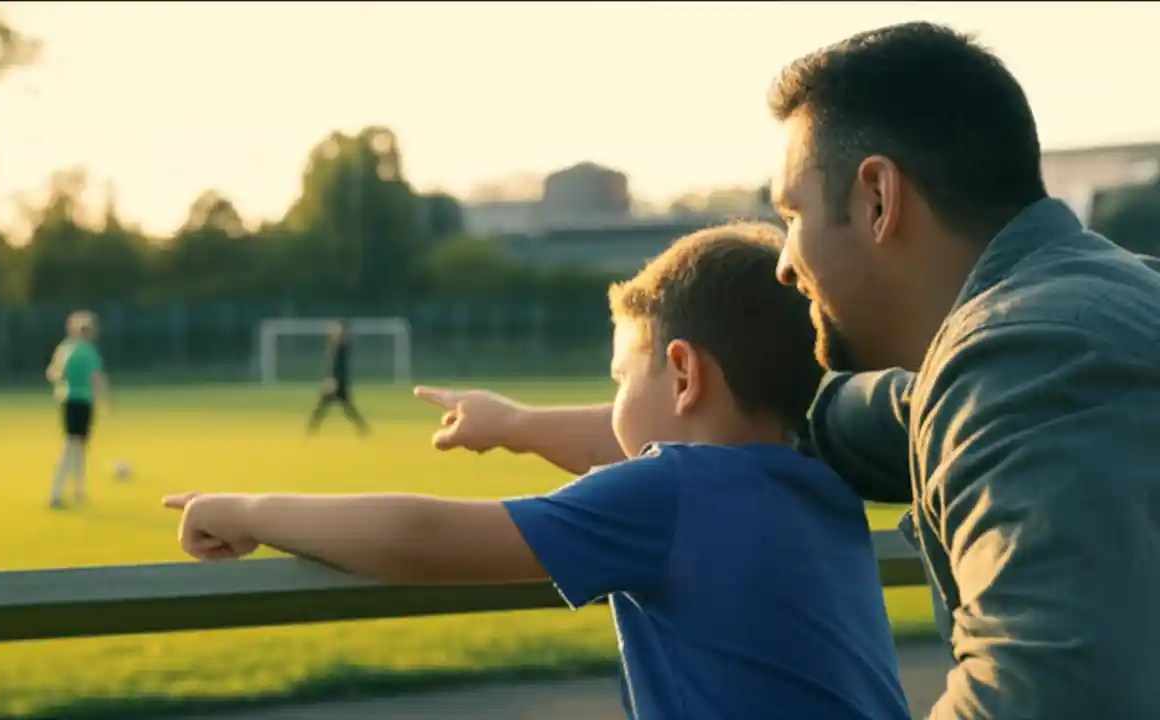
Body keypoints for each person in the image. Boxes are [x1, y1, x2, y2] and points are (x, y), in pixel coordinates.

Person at [415, 22, 1160, 720]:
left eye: (793, 215)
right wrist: (518, 424)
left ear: (877, 199)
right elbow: (799, 420)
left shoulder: (1025, 359)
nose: (784, 263)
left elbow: (1045, 695)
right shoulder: (1073, 320)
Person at [164, 224, 911, 720]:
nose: (615, 401)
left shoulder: (672, 494)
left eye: (622, 376)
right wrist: (516, 426)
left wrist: (247, 510)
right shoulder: (809, 476)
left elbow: (422, 536)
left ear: (683, 374)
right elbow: (641, 442)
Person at [46, 310, 111, 509]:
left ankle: (79, 490)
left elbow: (52, 373)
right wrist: (105, 398)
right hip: (83, 401)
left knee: (79, 447)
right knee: (73, 446)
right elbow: (96, 378)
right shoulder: (89, 352)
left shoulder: (65, 349)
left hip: (67, 399)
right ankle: (56, 492)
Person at [307, 319, 369, 435]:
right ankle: (363, 428)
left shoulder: (341, 347)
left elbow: (338, 366)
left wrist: (332, 380)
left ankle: (312, 430)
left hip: (337, 382)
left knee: (338, 407)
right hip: (337, 381)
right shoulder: (335, 346)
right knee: (336, 407)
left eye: (337, 329)